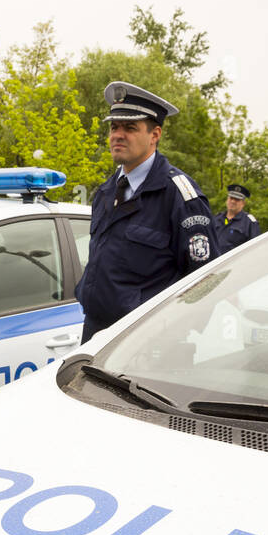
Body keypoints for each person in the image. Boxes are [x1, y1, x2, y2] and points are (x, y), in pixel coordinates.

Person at [75, 81, 219, 343]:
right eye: (114, 127)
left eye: (130, 127)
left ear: (155, 135)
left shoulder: (180, 196)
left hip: (147, 343)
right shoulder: (106, 191)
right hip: (96, 334)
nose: (118, 134)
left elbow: (205, 279)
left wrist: (170, 334)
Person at [212, 184, 260, 254]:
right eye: (231, 198)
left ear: (243, 203)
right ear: (227, 199)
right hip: (215, 262)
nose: (233, 201)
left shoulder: (249, 222)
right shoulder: (217, 218)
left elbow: (255, 248)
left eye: (237, 199)